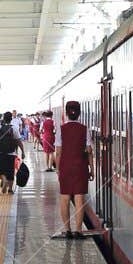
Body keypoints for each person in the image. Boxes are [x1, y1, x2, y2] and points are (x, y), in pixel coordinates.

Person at [53, 100, 93, 239]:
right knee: (79, 198)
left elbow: (58, 152)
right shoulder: (85, 129)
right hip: (80, 166)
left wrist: (58, 170)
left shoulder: (61, 129)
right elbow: (89, 151)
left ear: (66, 113)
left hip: (65, 166)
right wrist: (91, 169)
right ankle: (78, 231)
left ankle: (67, 229)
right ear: (80, 112)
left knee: (64, 198)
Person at [0, 112, 23, 196]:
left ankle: (4, 180)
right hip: (11, 153)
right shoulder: (14, 128)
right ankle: (10, 189)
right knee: (11, 171)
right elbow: (18, 141)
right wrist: (23, 151)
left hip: (1, 153)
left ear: (3, 118)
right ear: (11, 119)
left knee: (1, 170)